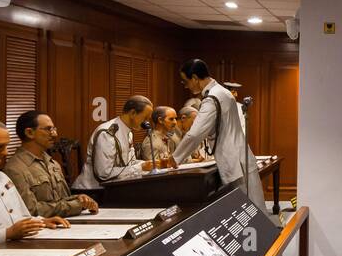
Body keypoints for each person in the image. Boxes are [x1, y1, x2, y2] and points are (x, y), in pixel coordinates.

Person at [173, 60, 264, 205]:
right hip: (241, 156)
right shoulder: (223, 91)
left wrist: (175, 158)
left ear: (195, 78)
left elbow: (195, 134)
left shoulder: (212, 98)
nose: (186, 86)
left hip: (232, 160)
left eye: (185, 81)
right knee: (254, 205)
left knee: (244, 209)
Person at [5, 111, 98, 219]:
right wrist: (76, 205)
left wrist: (79, 199)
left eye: (54, 129)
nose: (55, 134)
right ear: (29, 133)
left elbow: (60, 202)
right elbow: (31, 210)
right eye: (48, 129)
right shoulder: (15, 169)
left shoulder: (53, 164)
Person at [72, 96, 164, 190]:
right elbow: (104, 174)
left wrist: (149, 164)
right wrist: (141, 167)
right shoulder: (107, 133)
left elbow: (130, 163)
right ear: (132, 113)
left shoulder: (129, 133)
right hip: (92, 190)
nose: (147, 122)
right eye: (145, 118)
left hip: (113, 187)